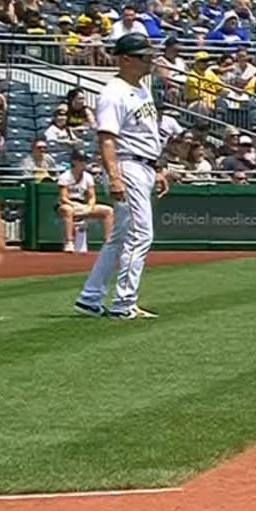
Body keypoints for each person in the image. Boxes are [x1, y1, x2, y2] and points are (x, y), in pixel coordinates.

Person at [74, 33, 168, 319]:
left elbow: (147, 134)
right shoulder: (113, 92)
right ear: (125, 59)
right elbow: (106, 139)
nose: (150, 61)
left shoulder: (141, 88)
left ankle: (90, 297)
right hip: (127, 166)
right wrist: (114, 177)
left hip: (144, 165)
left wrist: (158, 167)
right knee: (141, 235)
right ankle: (124, 303)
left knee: (119, 237)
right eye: (144, 57)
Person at [55, 149, 113, 252]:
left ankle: (108, 243)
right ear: (73, 161)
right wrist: (74, 205)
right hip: (67, 204)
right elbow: (63, 197)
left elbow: (92, 196)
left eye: (84, 160)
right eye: (80, 160)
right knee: (68, 210)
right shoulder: (65, 176)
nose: (83, 163)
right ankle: (69, 242)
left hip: (83, 204)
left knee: (108, 211)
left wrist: (90, 206)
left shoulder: (88, 177)